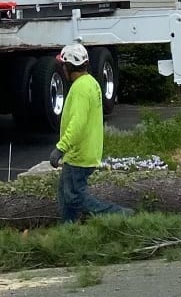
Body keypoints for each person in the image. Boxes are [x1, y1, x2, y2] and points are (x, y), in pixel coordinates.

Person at [49, 42, 126, 222]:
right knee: (65, 197)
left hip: (79, 155)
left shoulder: (81, 89)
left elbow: (78, 124)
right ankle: (68, 234)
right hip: (84, 153)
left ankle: (120, 215)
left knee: (75, 197)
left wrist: (60, 148)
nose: (61, 68)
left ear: (68, 66)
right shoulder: (91, 83)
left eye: (62, 65)